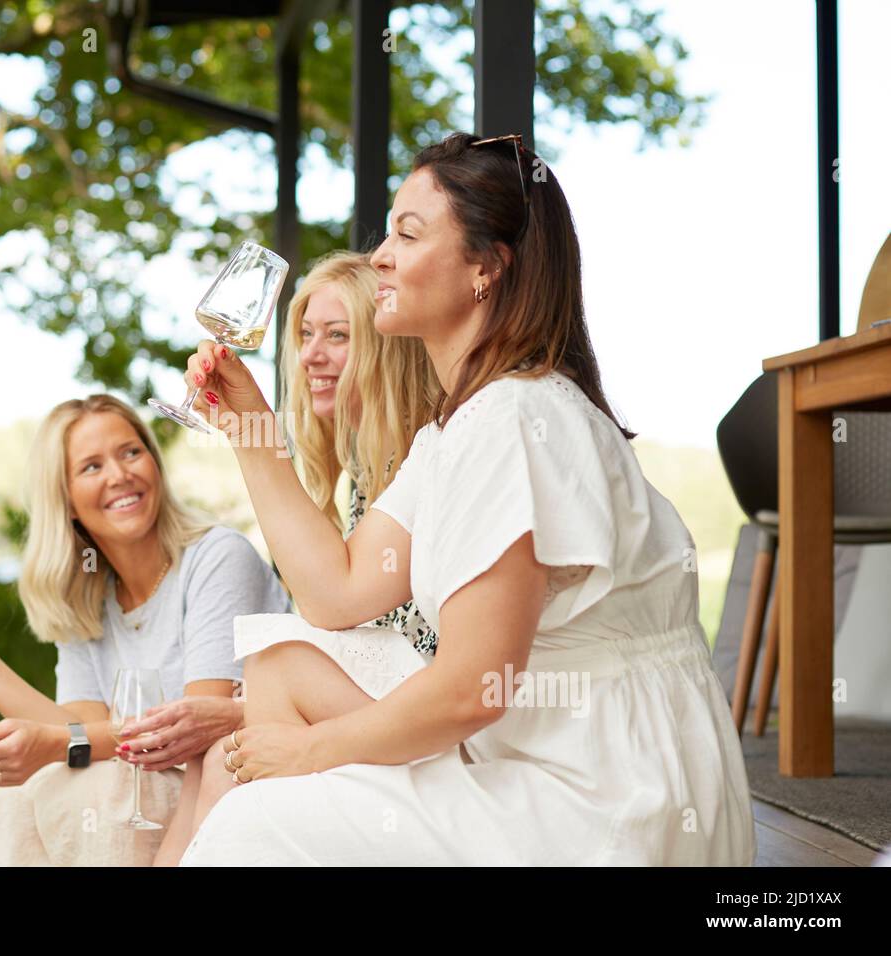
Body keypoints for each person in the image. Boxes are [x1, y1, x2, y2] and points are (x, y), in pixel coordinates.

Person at [173, 131, 756, 865]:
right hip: (544, 751)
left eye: (407, 234)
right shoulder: (462, 427)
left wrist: (311, 751)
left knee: (254, 825)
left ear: (486, 267)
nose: (379, 255)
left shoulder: (518, 416)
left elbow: (474, 689)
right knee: (281, 672)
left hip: (602, 792)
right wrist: (250, 428)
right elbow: (337, 591)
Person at [0, 394, 288, 866]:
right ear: (67, 500)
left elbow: (191, 733)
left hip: (227, 781)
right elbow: (79, 730)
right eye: (92, 467)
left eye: (130, 452)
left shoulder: (217, 558)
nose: (120, 475)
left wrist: (56, 745)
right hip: (148, 784)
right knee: (34, 787)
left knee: (93, 786)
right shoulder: (87, 595)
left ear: (154, 464)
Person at [278, 249, 440, 655]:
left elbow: (412, 653)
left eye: (337, 334)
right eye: (305, 333)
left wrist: (250, 439)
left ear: (388, 348)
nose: (309, 356)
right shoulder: (369, 470)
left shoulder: (427, 456)